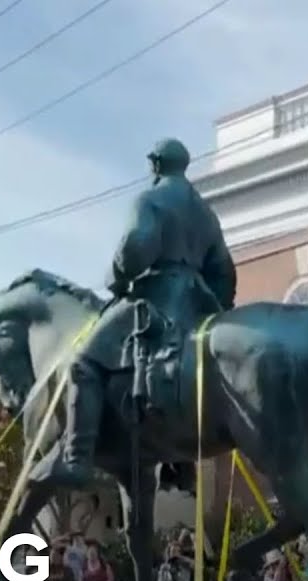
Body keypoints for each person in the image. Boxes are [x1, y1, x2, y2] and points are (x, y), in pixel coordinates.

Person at [60, 138, 237, 485]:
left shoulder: (151, 199)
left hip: (156, 296)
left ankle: (77, 457)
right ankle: (182, 462)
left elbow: (136, 248)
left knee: (83, 362)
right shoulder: (206, 214)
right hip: (198, 303)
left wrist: (118, 276)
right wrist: (215, 305)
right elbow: (225, 271)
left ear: (155, 164)